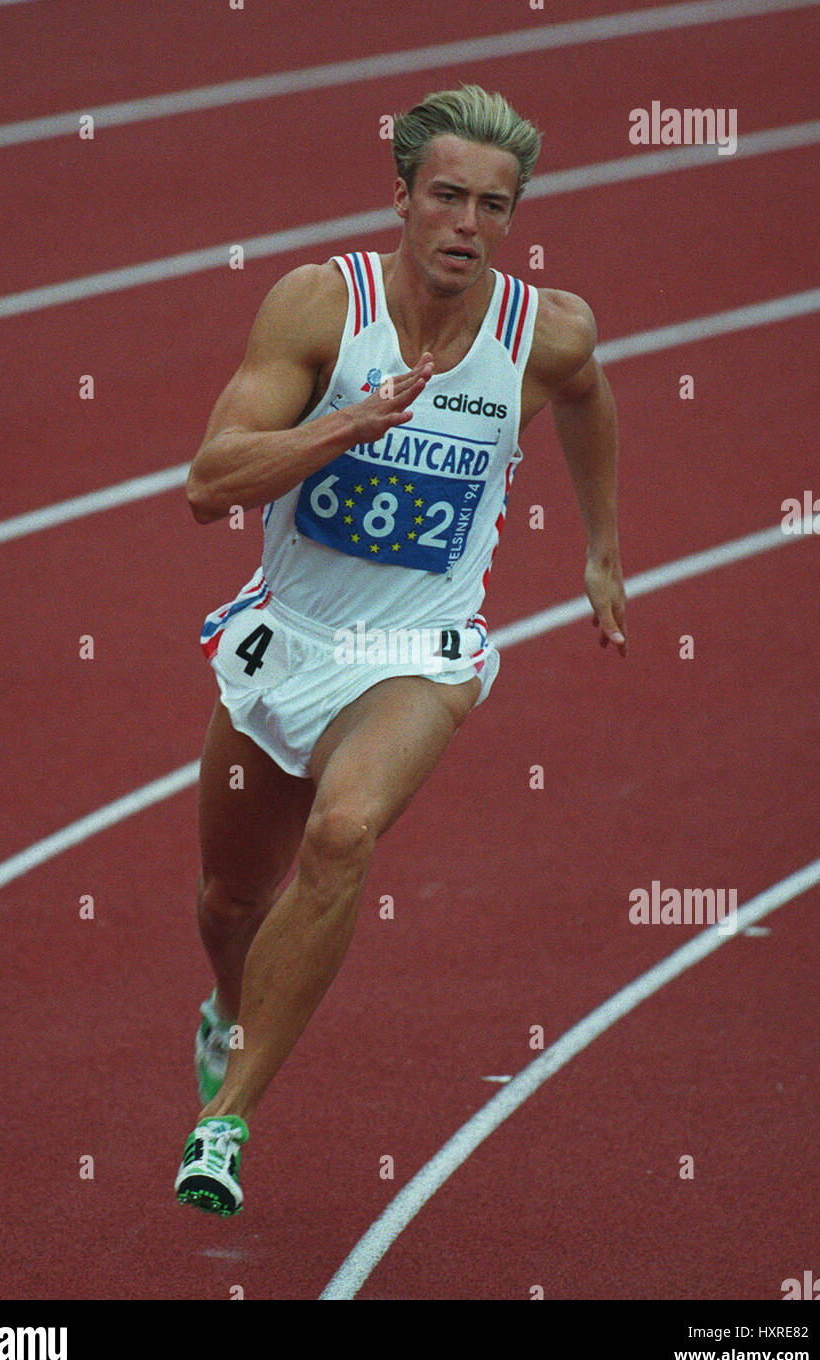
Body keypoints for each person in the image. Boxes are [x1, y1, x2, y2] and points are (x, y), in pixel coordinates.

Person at [174, 84, 627, 1217]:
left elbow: (586, 397)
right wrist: (347, 424)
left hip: (420, 649)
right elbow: (208, 483)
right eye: (447, 197)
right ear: (401, 197)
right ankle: (227, 1009)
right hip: (286, 636)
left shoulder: (544, 332)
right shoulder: (321, 307)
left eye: (494, 205)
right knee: (230, 899)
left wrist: (602, 548)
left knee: (342, 833)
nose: (468, 225)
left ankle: (224, 1122)